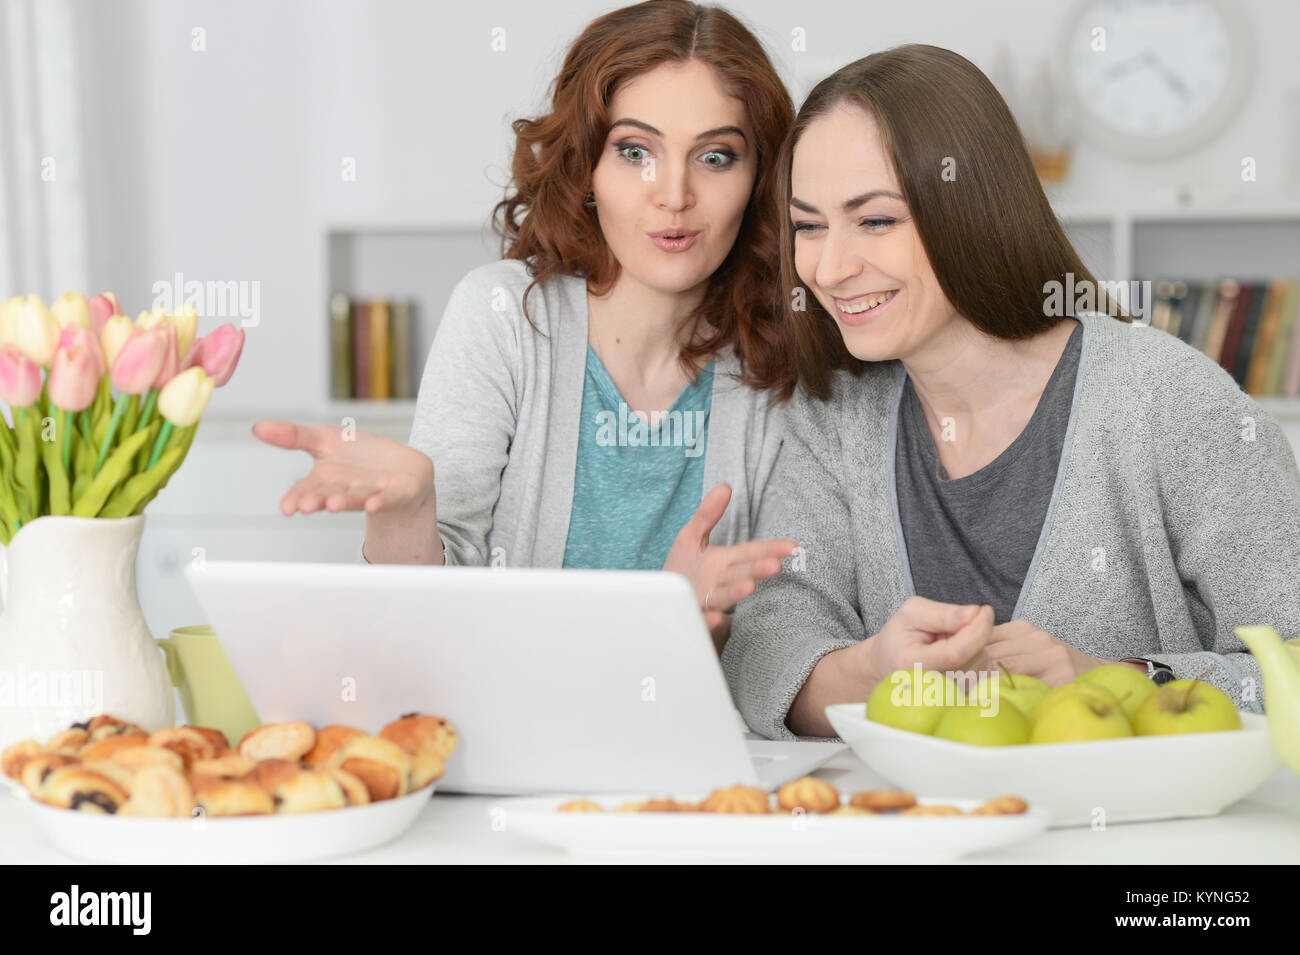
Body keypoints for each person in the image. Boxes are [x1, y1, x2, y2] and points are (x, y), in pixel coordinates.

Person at [724, 44, 1300, 739]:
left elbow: (1292, 657)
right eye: (809, 225)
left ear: (969, 209)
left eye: (876, 220)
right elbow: (766, 656)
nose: (830, 265)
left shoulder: (1168, 401)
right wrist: (874, 665)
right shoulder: (836, 417)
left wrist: (1120, 680)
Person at [253, 1, 800, 652]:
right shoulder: (502, 319)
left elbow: (787, 649)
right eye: (634, 151)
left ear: (760, 177)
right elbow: (429, 640)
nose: (673, 193)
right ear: (587, 167)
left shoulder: (781, 359)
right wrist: (406, 515)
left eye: (715, 157)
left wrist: (696, 625)